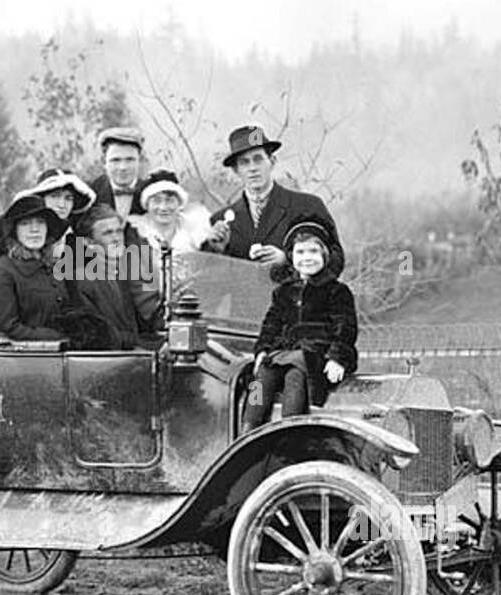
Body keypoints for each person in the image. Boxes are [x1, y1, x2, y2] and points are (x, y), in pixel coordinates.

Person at [242, 220, 358, 429]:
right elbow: (271, 324)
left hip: (317, 354)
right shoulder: (283, 291)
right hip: (286, 352)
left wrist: (337, 358)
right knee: (261, 377)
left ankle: (290, 430)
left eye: (313, 251)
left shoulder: (336, 290)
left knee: (295, 378)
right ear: (292, 258)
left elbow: (345, 328)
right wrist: (262, 349)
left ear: (324, 255)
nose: (307, 258)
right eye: (300, 253)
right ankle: (249, 428)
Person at [203, 123, 345, 276]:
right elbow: (211, 284)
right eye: (244, 162)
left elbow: (336, 261)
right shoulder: (221, 222)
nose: (252, 168)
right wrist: (216, 251)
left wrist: (289, 260)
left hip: (297, 299)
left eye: (258, 159)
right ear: (236, 170)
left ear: (272, 161)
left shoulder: (307, 207)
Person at [69, 205, 164, 349]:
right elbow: (97, 335)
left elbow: (149, 320)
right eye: (107, 233)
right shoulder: (81, 281)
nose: (116, 239)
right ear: (89, 243)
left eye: (119, 231)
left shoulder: (130, 273)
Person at [0, 195, 74, 342]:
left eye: (40, 222)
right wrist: (59, 338)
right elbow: (10, 328)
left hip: (63, 354)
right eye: (25, 224)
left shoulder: (53, 266)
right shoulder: (2, 271)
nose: (34, 229)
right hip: (27, 357)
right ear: (15, 231)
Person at [129, 169, 210, 254]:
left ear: (179, 203)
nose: (163, 207)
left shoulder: (195, 229)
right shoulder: (135, 232)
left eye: (169, 200)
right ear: (147, 204)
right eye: (157, 201)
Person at [86, 126, 147, 220]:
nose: (123, 167)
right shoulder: (89, 194)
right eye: (115, 160)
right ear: (103, 162)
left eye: (130, 159)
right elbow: (79, 233)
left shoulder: (151, 193)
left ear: (140, 160)